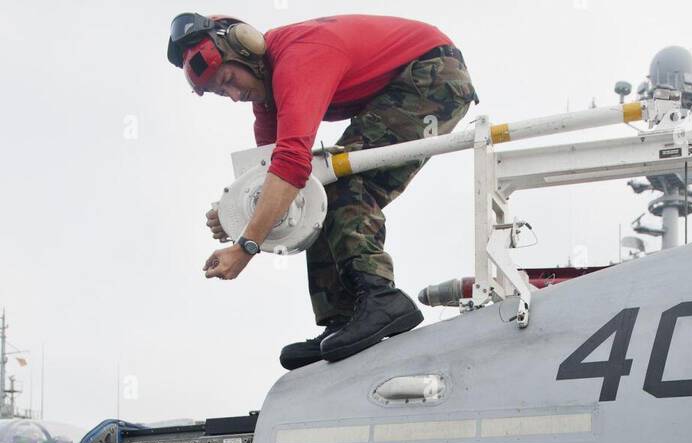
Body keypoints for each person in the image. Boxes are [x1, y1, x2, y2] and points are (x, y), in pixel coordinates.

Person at [167, 13, 478, 367]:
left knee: (344, 183)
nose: (236, 96)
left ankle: (380, 296)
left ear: (245, 47)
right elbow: (270, 177)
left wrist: (245, 247)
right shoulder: (267, 98)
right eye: (223, 93)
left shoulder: (299, 58)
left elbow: (291, 167)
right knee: (317, 190)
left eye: (229, 80)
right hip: (410, 81)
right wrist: (233, 214)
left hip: (434, 75)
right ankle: (343, 318)